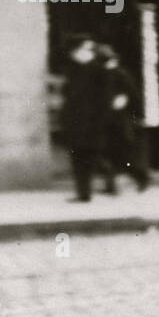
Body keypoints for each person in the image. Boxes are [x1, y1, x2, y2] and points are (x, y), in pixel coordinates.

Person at [97, 44, 150, 194]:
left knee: (122, 153)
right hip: (115, 120)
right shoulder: (114, 73)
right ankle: (119, 183)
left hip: (120, 120)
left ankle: (137, 179)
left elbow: (132, 96)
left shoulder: (118, 74)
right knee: (115, 153)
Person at [61, 34, 107, 202]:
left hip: (92, 123)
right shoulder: (72, 70)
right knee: (78, 159)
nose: (90, 52)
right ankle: (83, 192)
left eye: (91, 49)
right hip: (75, 122)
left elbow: (104, 97)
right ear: (75, 51)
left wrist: (100, 120)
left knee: (90, 158)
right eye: (86, 49)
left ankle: (86, 192)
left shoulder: (98, 70)